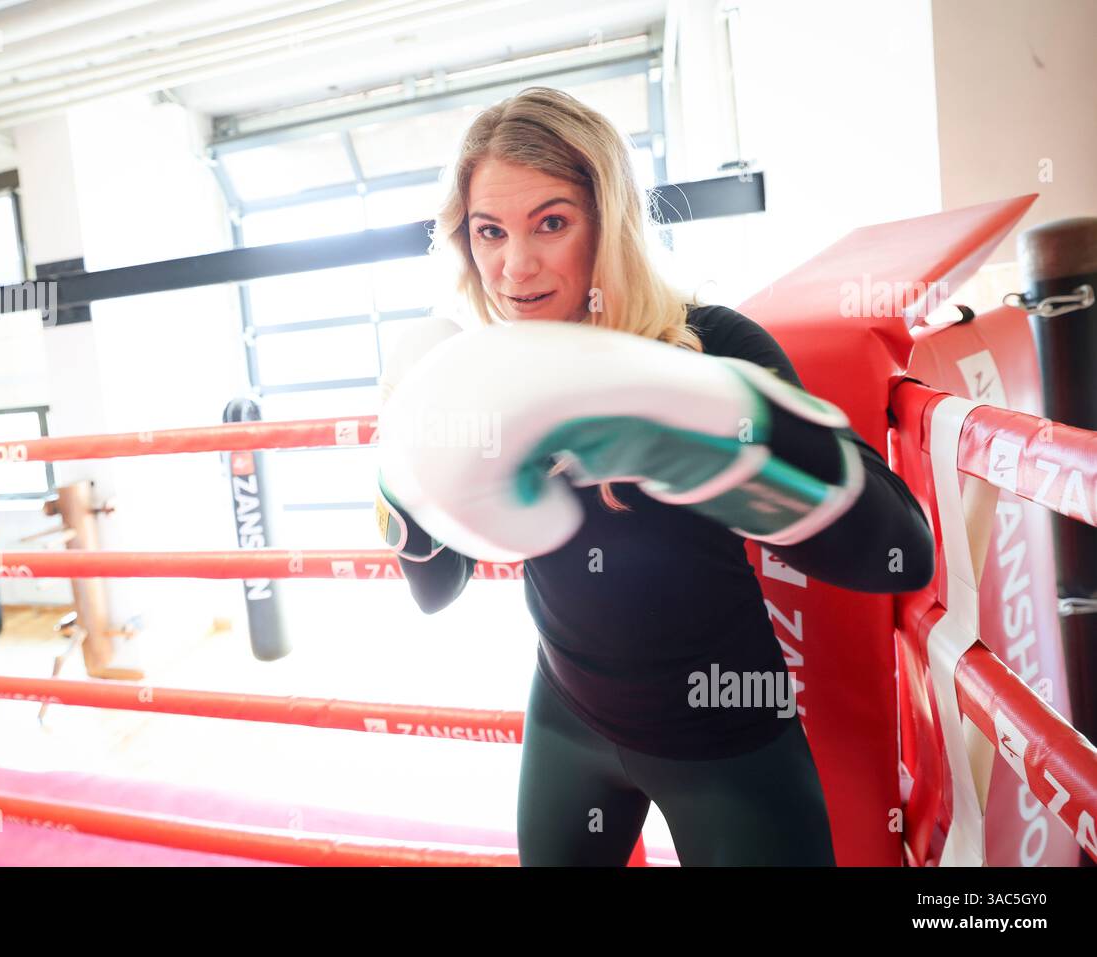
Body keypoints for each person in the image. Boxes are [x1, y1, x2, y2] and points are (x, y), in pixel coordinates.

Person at [374, 87, 935, 866]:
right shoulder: (475, 379)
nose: (516, 265)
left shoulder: (708, 345)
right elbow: (435, 592)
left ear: (608, 225)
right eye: (489, 231)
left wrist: (704, 426)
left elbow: (899, 554)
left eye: (552, 222)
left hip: (725, 733)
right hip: (569, 719)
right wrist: (401, 453)